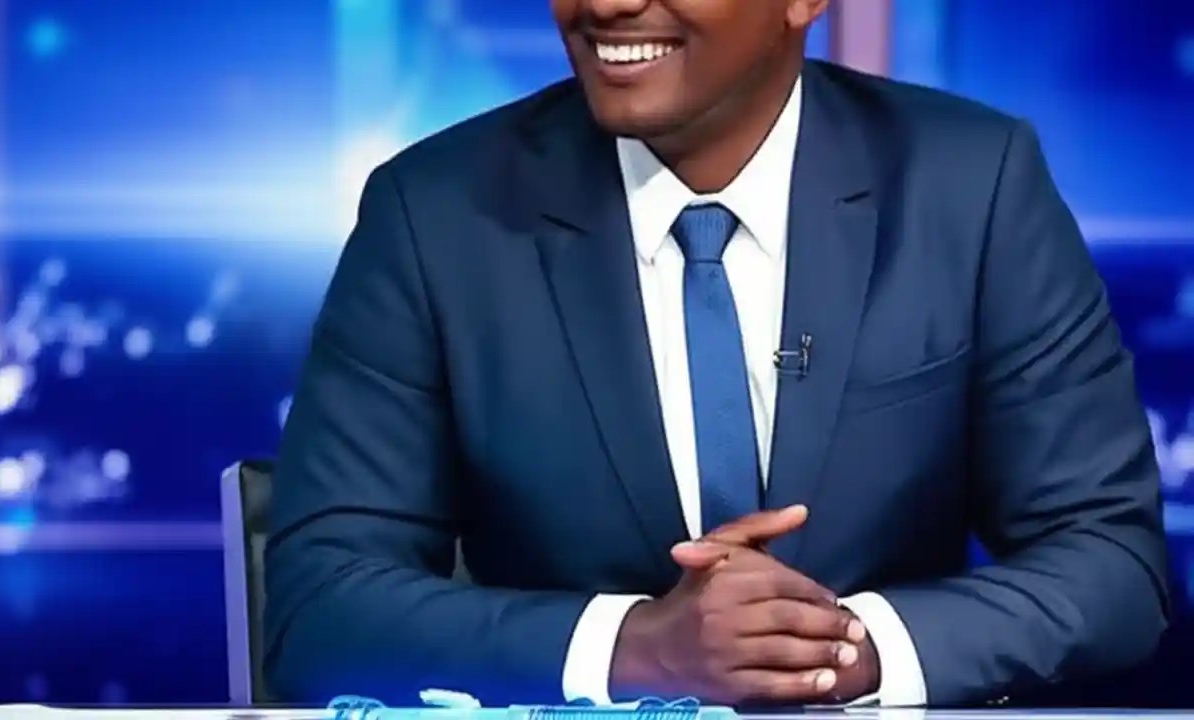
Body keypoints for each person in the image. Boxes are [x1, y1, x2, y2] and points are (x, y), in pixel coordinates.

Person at [263, 0, 1170, 708]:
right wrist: (640, 649)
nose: (608, 6)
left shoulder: (972, 183)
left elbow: (1111, 565)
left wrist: (838, 650)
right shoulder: (435, 214)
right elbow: (321, 605)